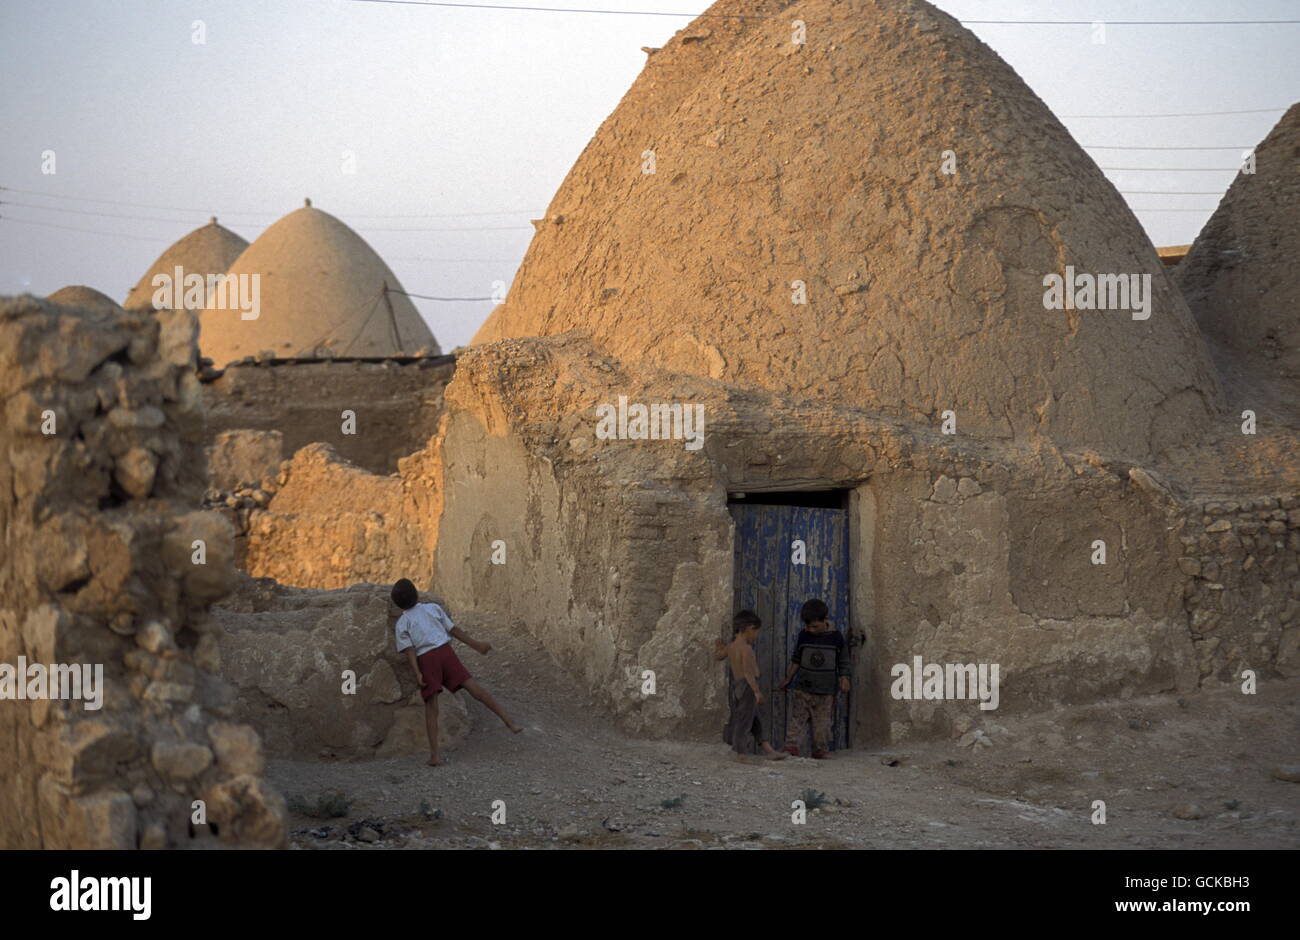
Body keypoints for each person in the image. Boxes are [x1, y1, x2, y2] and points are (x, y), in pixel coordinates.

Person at [390, 578, 522, 766]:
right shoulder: (432, 608)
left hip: (426, 660)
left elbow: (409, 650)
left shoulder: (402, 623)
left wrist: (418, 673)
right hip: (446, 653)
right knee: (474, 688)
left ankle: (435, 755)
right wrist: (476, 645)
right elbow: (454, 630)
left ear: (397, 604)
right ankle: (509, 721)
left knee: (431, 707)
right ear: (417, 593)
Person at [777, 598, 850, 758]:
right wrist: (788, 678)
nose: (810, 629)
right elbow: (797, 659)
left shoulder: (836, 638)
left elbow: (843, 661)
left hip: (826, 691)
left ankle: (819, 750)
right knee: (797, 720)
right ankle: (791, 747)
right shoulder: (804, 636)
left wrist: (844, 678)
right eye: (808, 626)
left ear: (826, 620)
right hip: (804, 688)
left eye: (815, 626)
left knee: (822, 724)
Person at [714, 610, 787, 762]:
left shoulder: (731, 647)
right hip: (747, 687)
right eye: (756, 632)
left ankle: (768, 750)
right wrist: (757, 692)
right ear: (749, 628)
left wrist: (719, 646)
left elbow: (718, 656)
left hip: (737, 687)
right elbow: (748, 673)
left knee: (755, 719)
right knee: (744, 721)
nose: (756, 636)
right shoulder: (746, 649)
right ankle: (740, 752)